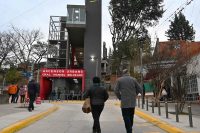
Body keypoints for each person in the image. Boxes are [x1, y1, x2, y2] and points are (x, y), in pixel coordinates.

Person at [114, 69, 143, 133]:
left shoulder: (119, 80)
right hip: (132, 102)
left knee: (125, 116)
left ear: (123, 73)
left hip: (124, 102)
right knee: (131, 116)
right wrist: (135, 94)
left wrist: (120, 97)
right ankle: (130, 128)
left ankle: (129, 130)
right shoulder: (133, 79)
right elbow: (140, 89)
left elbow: (116, 91)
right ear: (129, 73)